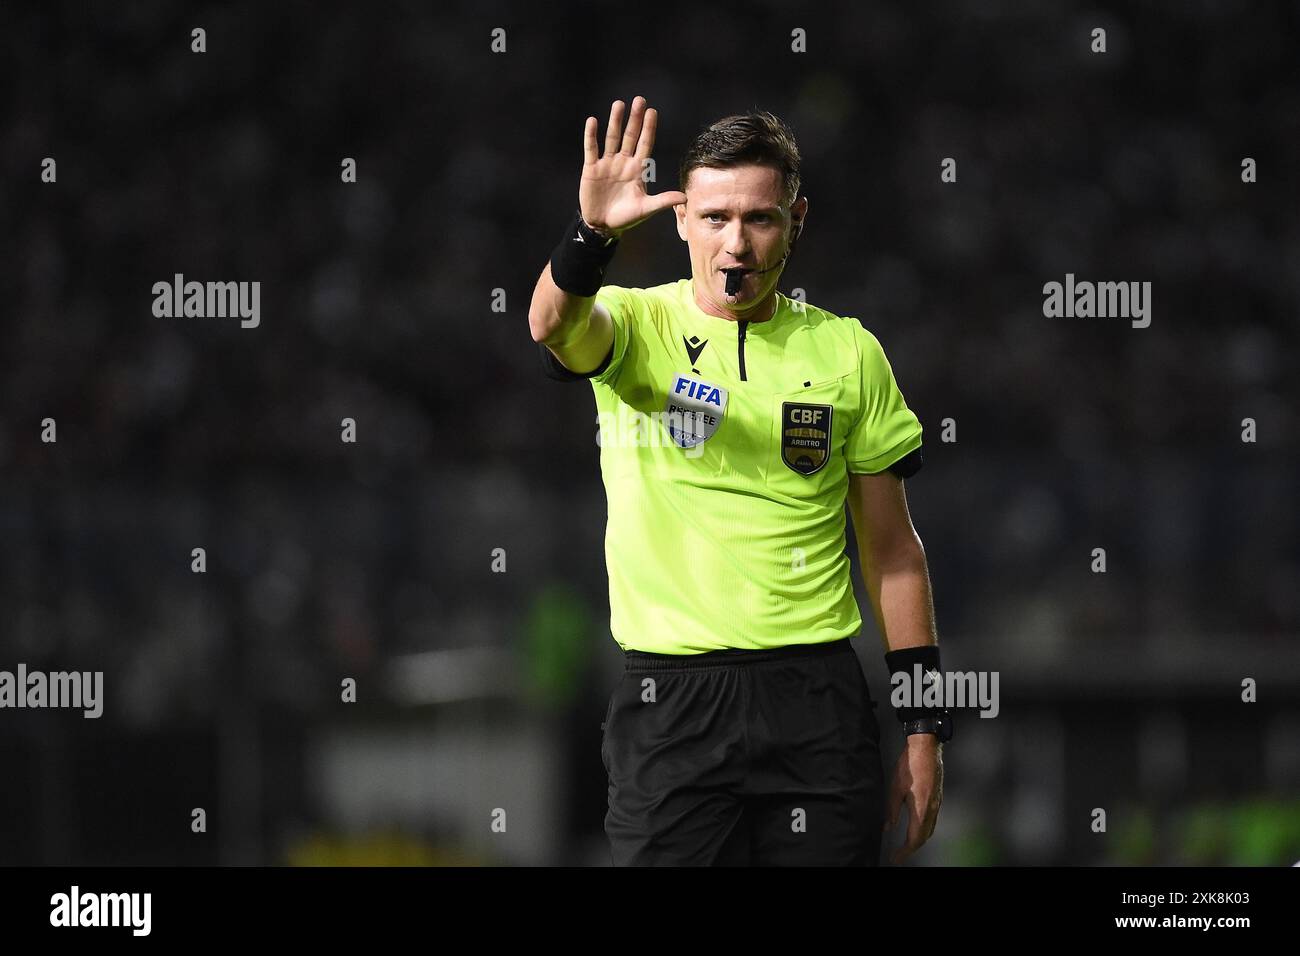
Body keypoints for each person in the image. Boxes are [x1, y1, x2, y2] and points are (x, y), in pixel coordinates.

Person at [528, 95, 949, 866]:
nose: (737, 243)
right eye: (716, 217)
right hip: (671, 706)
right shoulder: (632, 326)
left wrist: (924, 727)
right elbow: (552, 325)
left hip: (817, 702)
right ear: (682, 219)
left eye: (760, 218)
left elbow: (894, 556)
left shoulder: (849, 353)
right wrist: (590, 235)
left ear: (797, 221)